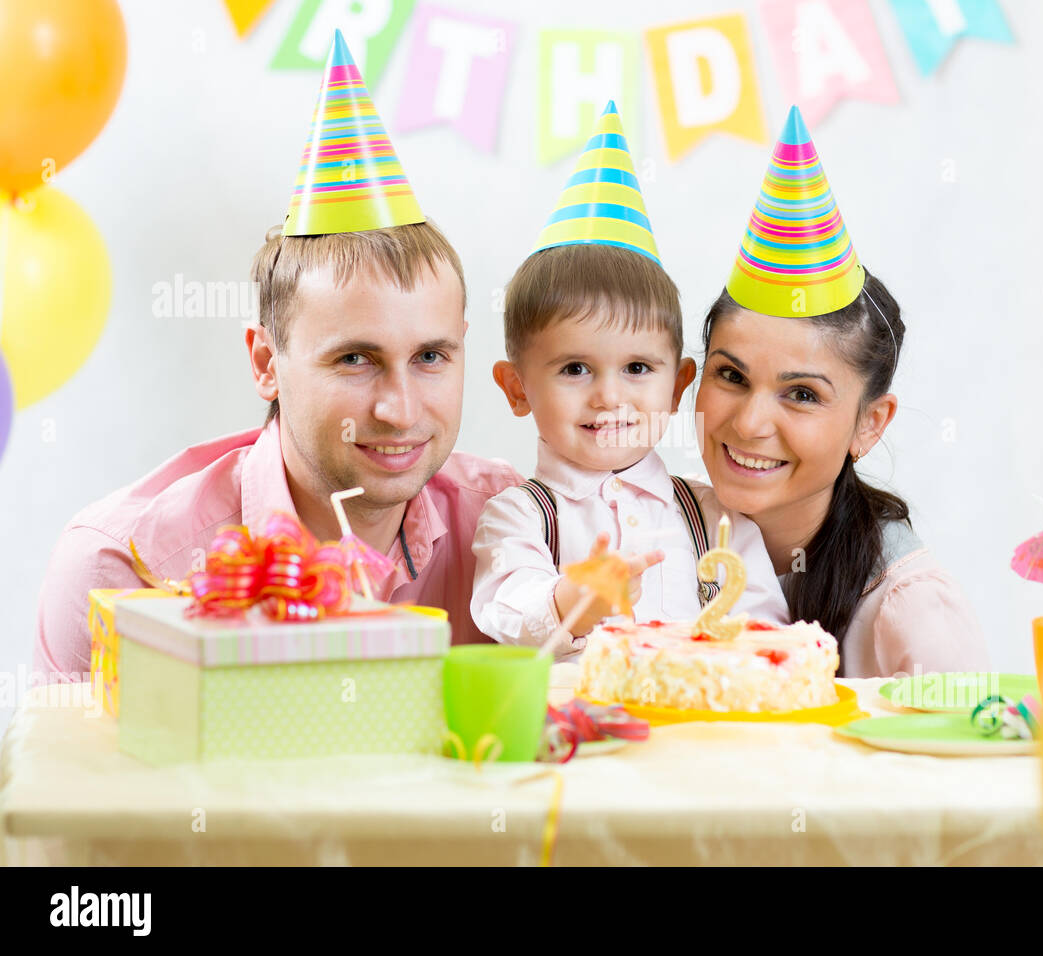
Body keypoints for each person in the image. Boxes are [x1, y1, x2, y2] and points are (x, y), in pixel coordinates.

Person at [33, 31, 517, 679]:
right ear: (265, 362)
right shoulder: (121, 571)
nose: (400, 411)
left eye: (431, 357)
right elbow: (69, 781)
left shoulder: (510, 530)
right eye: (355, 359)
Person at [471, 102, 787, 658]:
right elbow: (506, 604)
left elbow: (766, 635)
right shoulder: (518, 516)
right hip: (580, 743)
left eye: (637, 369)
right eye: (574, 369)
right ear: (517, 388)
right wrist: (571, 600)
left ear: (677, 386)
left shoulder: (714, 518)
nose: (610, 396)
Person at [694, 106, 987, 678]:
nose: (751, 423)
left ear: (870, 424)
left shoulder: (910, 614)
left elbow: (961, 767)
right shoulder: (663, 540)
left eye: (801, 394)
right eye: (731, 376)